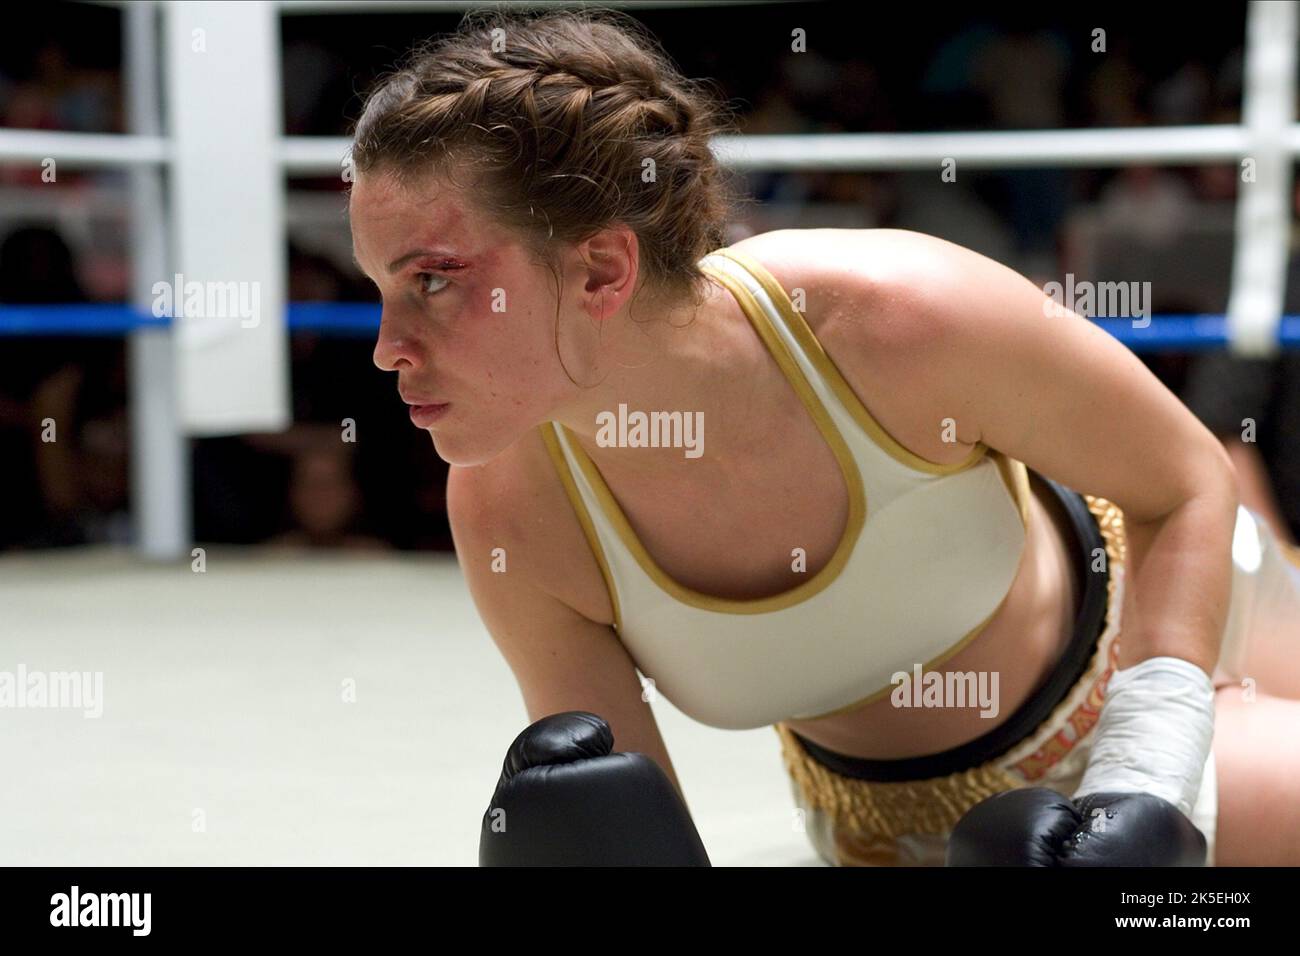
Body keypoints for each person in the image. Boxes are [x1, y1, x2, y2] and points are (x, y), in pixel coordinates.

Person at [346, 9, 1300, 866]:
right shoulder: (512, 507)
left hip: (1187, 618)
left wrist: (1147, 783)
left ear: (601, 268)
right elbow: (624, 806)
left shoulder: (892, 315)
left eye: (433, 280)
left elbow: (1184, 483)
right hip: (896, 830)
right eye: (380, 291)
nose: (387, 349)